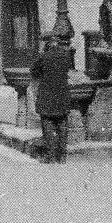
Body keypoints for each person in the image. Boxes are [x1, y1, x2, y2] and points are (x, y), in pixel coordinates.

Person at [30, 35, 73, 163]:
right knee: (62, 123)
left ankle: (50, 155)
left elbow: (34, 71)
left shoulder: (44, 57)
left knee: (47, 123)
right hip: (62, 95)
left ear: (47, 46)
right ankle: (62, 155)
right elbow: (68, 69)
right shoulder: (66, 56)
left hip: (47, 95)